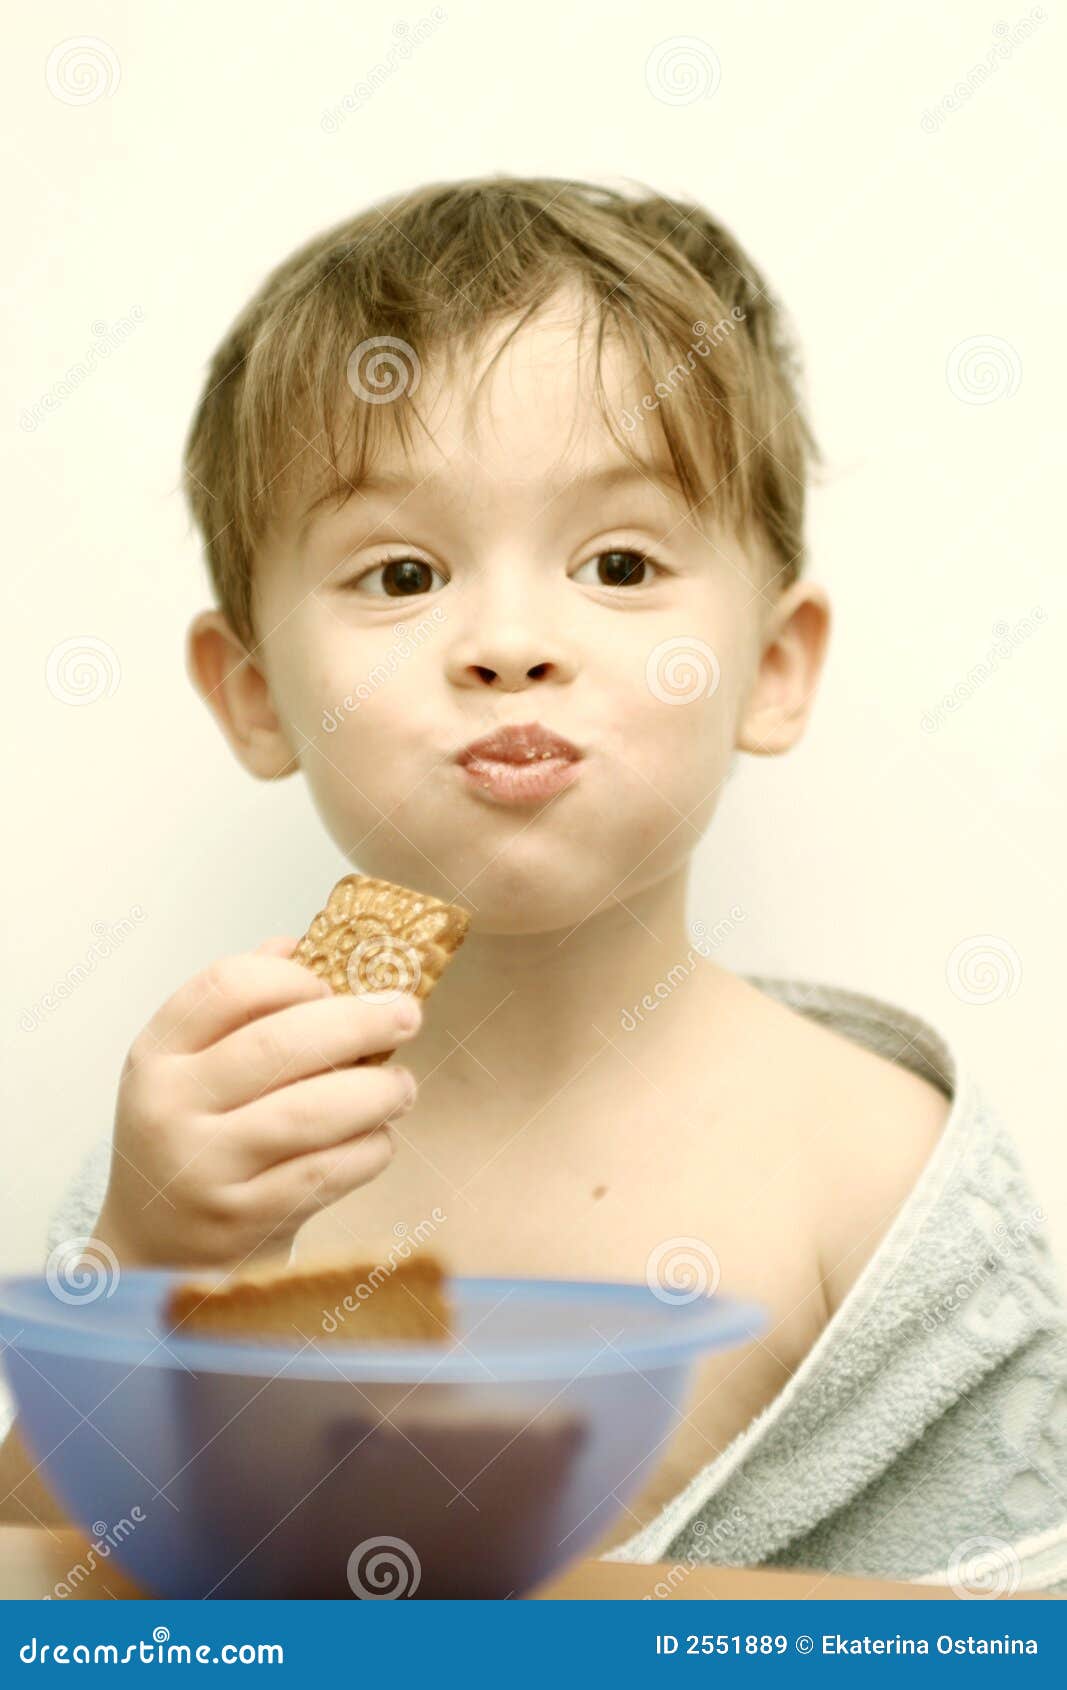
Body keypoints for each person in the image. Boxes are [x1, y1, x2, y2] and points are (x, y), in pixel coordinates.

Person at [4, 177, 1064, 1593]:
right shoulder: (217, 1131)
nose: (507, 642)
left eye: (618, 561)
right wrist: (142, 1259)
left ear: (772, 665)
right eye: (400, 573)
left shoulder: (882, 1173)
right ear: (254, 692)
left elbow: (1002, 1633)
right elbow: (49, 1581)